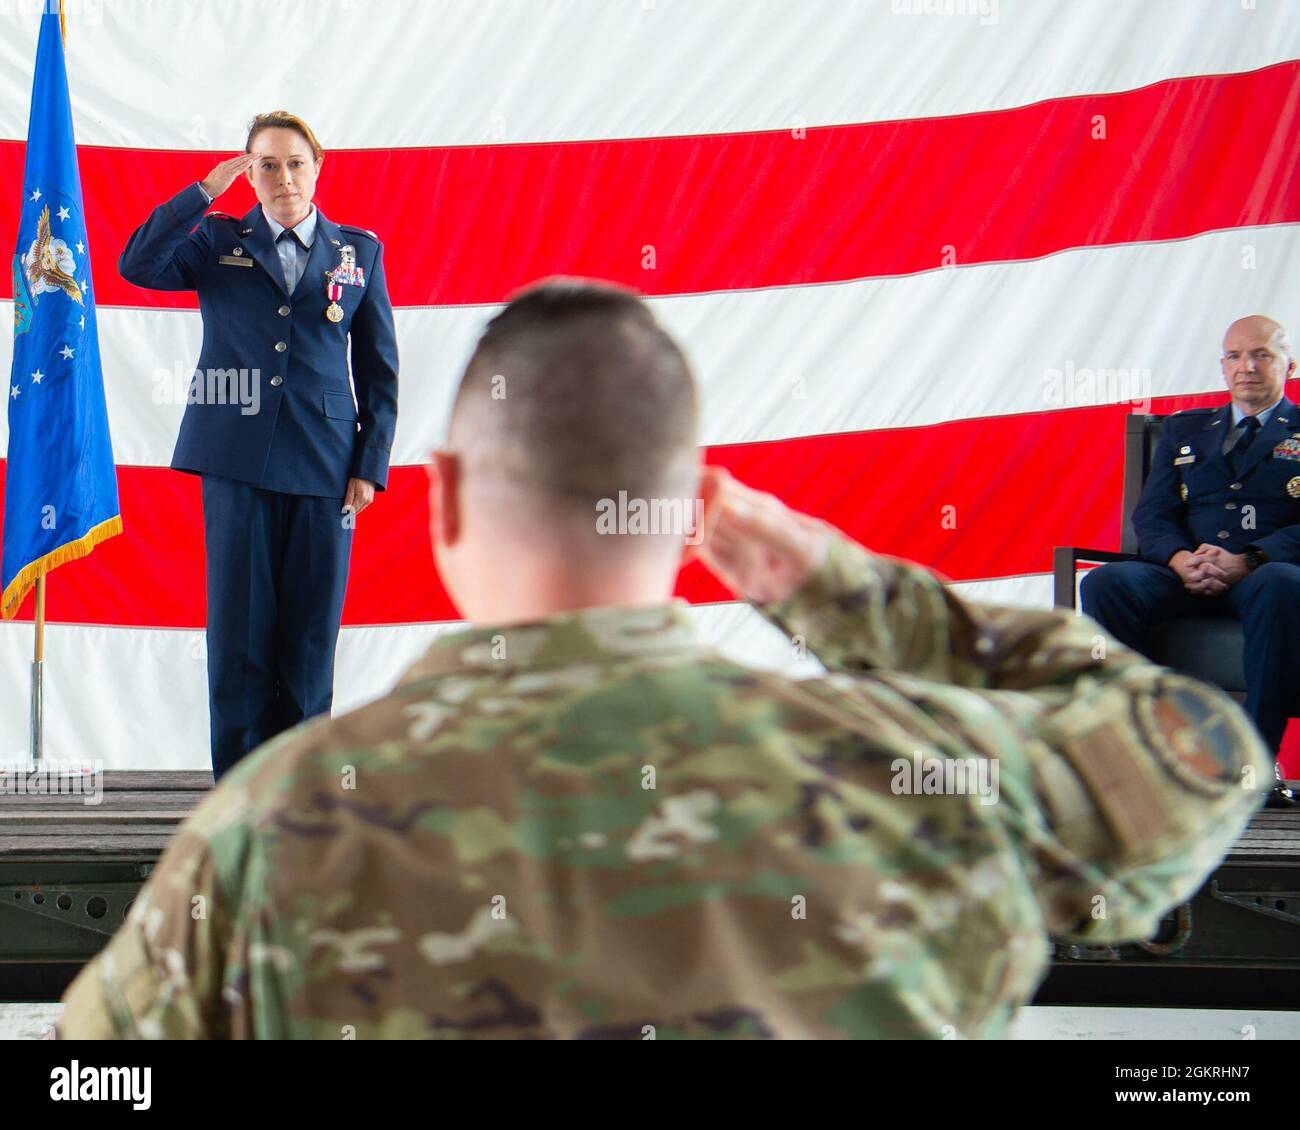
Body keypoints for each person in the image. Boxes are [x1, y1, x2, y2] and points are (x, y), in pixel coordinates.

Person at [59, 280, 1267, 1039]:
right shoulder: (918, 779)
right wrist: (835, 584)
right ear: (684, 508)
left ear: (447, 504)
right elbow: (1202, 750)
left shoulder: (271, 829)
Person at [118, 111, 399, 780]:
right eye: (265, 164)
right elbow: (137, 263)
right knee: (242, 639)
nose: (282, 177)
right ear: (248, 173)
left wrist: (371, 463)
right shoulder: (215, 241)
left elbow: (380, 369)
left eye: (295, 162)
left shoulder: (359, 253)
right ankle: (238, 800)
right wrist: (201, 193)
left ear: (318, 166)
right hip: (235, 460)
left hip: (327, 465)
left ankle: (300, 801)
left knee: (307, 640)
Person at [1082, 316, 1299, 807]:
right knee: (1105, 585)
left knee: (1283, 583)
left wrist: (1250, 559)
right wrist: (1180, 559)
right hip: (1185, 573)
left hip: (1264, 577)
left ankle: (1256, 765)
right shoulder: (1185, 429)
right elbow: (1153, 515)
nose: (1248, 366)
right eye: (1235, 356)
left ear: (1289, 363)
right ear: (1222, 367)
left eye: (1262, 354)